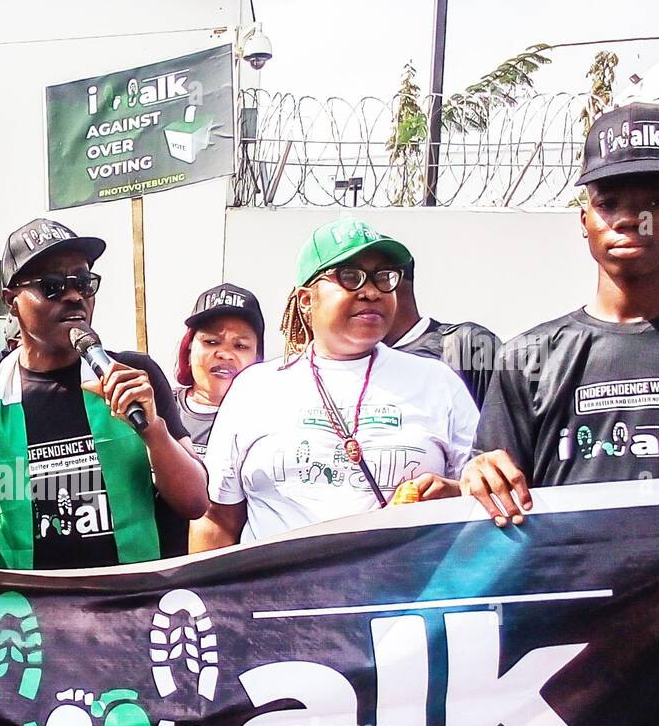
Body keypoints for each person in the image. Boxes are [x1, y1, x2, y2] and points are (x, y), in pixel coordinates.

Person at [463, 103, 659, 526]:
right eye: (609, 203)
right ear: (584, 220)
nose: (630, 219)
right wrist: (477, 476)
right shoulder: (527, 359)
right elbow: (496, 505)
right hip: (575, 589)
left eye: (655, 202)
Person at [192, 219, 477, 550]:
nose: (370, 291)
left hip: (403, 594)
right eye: (350, 277)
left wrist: (455, 495)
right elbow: (216, 520)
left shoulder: (437, 382)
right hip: (279, 598)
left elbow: (480, 494)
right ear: (305, 300)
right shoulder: (254, 389)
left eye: (384, 278)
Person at [0, 218, 207, 569]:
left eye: (83, 282)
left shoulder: (134, 377)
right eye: (51, 286)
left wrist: (153, 431)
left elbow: (195, 503)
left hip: (133, 608)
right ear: (11, 300)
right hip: (28, 614)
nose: (73, 295)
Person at [383, 255, 501, 406]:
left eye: (352, 278)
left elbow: (505, 424)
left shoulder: (465, 344)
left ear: (388, 280)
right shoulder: (357, 364)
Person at [173, 283, 265, 455]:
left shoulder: (270, 420)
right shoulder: (158, 410)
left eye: (240, 345)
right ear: (188, 350)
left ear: (258, 358)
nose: (225, 354)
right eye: (212, 342)